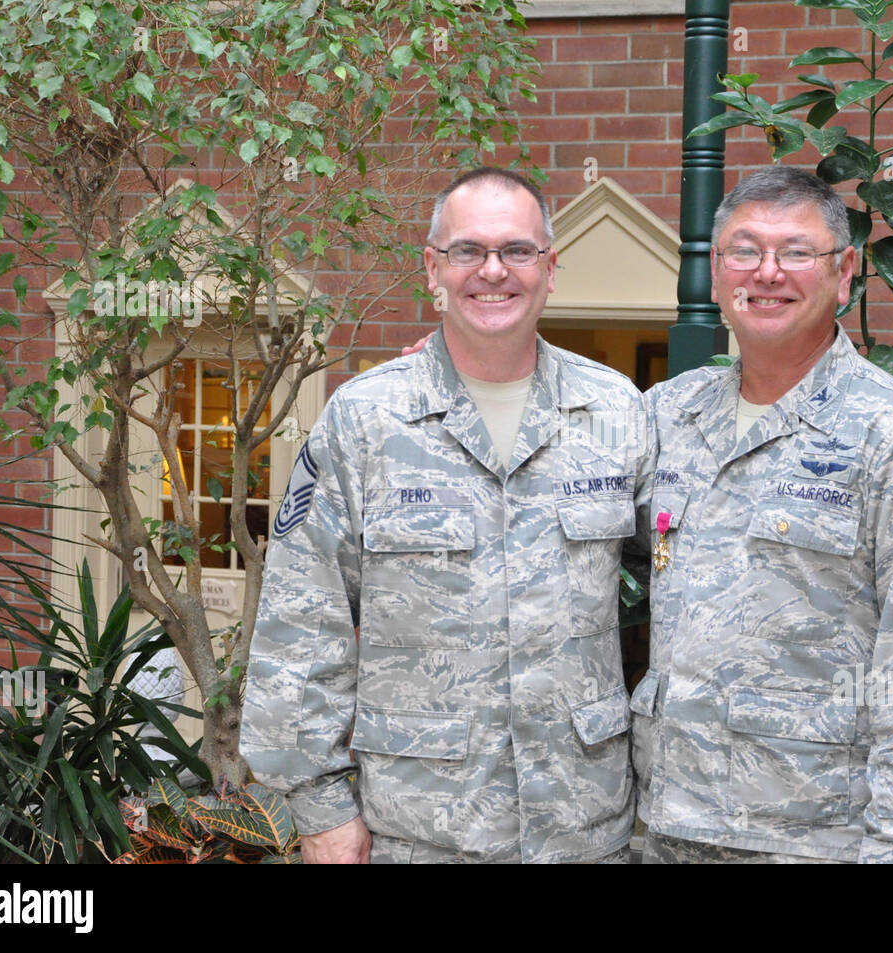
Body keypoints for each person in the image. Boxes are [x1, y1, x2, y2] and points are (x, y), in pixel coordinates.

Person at [241, 167, 649, 863]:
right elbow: (301, 623)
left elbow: (673, 589)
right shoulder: (364, 420)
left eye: (519, 250)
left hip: (586, 832)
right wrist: (319, 808)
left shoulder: (617, 411)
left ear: (551, 268)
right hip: (418, 832)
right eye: (469, 251)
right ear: (433, 268)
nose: (494, 271)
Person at [630, 166, 893, 863]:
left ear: (845, 270)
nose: (767, 273)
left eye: (796, 251)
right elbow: (552, 486)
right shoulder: (664, 417)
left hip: (819, 844)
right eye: (745, 250)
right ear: (716, 269)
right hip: (670, 829)